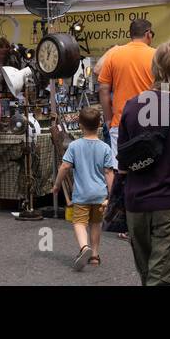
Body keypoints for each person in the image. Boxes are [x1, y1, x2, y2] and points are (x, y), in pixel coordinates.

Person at [118, 42, 170, 286]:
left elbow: (122, 164)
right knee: (160, 279)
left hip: (136, 203)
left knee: (148, 276)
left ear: (154, 69)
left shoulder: (132, 107)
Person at [52, 105, 114, 271]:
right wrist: (112, 194)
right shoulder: (105, 148)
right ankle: (94, 255)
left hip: (81, 194)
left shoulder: (74, 146)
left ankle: (83, 247)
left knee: (79, 222)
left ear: (80, 125)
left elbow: (64, 167)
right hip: (100, 195)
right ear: (100, 124)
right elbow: (108, 173)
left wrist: (57, 185)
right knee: (95, 223)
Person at [98, 18, 156, 165]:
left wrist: (108, 119)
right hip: (150, 121)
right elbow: (165, 89)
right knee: (150, 168)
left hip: (120, 121)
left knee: (120, 170)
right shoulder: (157, 55)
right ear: (148, 33)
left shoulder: (114, 54)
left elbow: (103, 90)